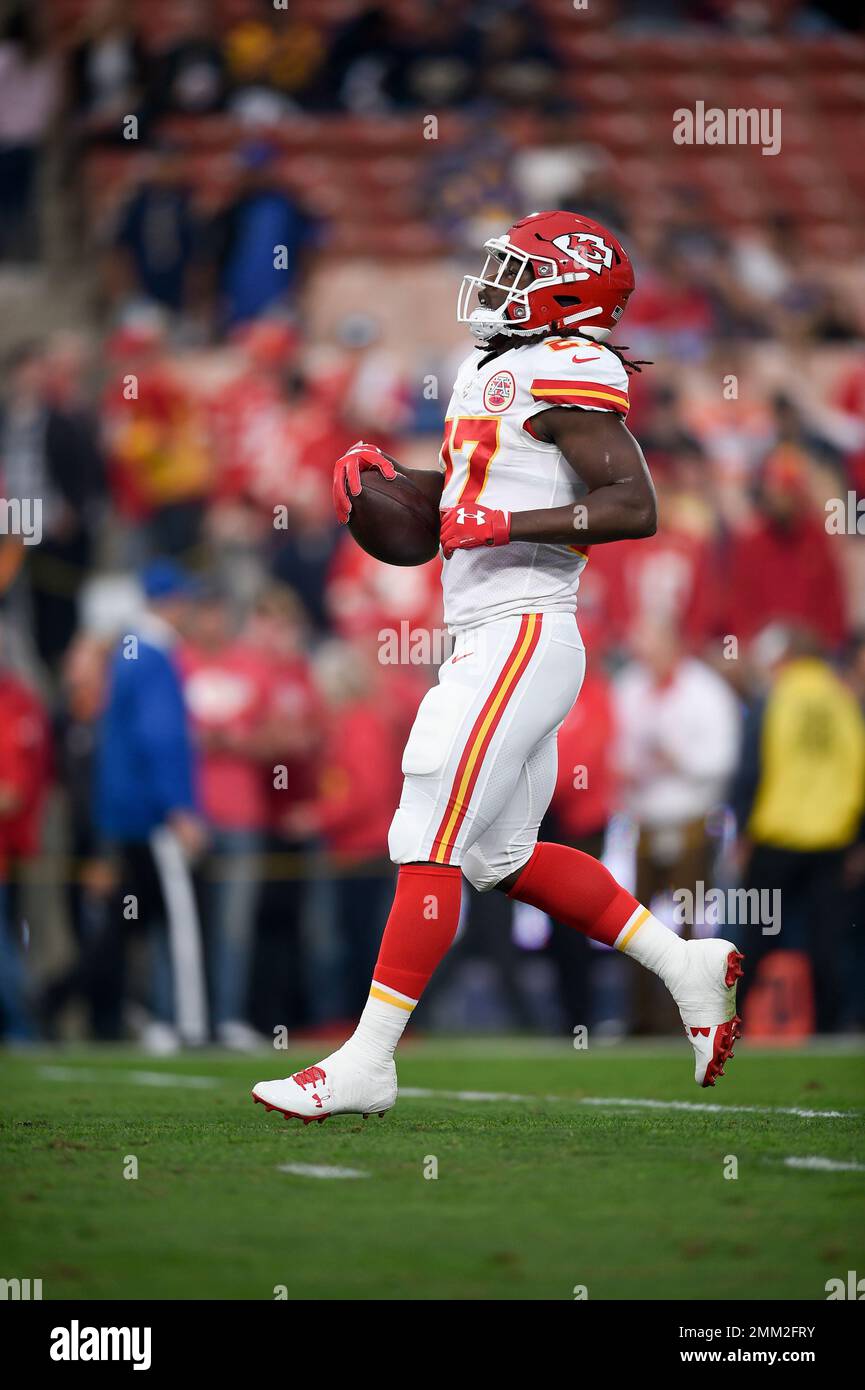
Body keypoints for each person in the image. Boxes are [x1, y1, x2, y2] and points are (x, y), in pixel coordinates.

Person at [253, 210, 745, 1124]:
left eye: (518, 271)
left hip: (520, 628)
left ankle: (367, 1062)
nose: (496, 284)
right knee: (499, 855)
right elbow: (473, 496)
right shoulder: (499, 368)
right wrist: (394, 482)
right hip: (494, 631)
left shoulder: (570, 369)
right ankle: (685, 964)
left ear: (565, 291)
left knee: (423, 827)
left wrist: (506, 527)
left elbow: (631, 504)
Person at [95, 559, 208, 1050]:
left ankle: (131, 1017)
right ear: (171, 602)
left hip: (126, 809)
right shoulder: (155, 655)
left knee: (132, 922)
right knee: (176, 919)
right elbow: (160, 737)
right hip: (153, 812)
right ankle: (183, 1022)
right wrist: (179, 807)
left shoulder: (128, 651)